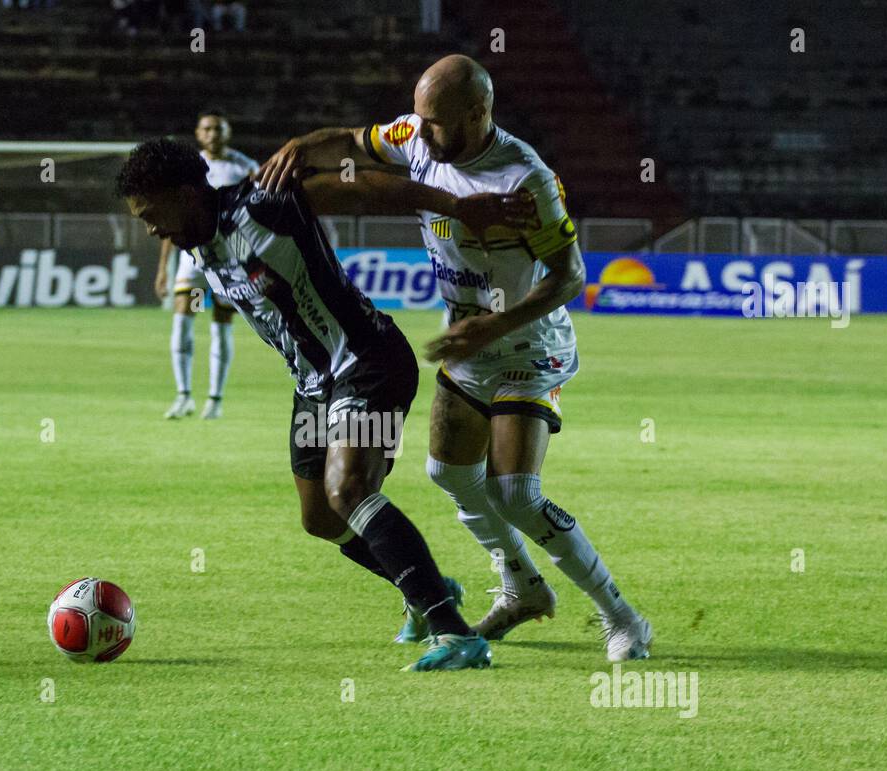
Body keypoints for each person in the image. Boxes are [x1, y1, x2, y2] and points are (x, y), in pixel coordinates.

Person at [257, 54, 655, 662]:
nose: (424, 132)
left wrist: (493, 324)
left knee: (517, 490)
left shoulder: (525, 177)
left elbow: (569, 277)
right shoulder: (416, 137)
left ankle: (622, 617)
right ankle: (522, 586)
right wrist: (298, 146)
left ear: (478, 112)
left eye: (438, 122)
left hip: (527, 345)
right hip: (469, 348)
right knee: (448, 474)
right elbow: (350, 143)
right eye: (420, 119)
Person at [118, 137, 536, 670]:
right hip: (316, 384)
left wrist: (452, 205)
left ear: (184, 194)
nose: (152, 228)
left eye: (153, 214)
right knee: (320, 517)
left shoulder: (261, 204)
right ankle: (428, 586)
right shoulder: (199, 243)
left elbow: (359, 186)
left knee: (349, 488)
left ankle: (455, 634)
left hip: (371, 362)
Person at [156, 112, 259, 420]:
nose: (212, 133)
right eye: (207, 129)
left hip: (229, 258)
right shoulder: (187, 169)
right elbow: (172, 219)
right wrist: (163, 267)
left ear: (227, 133)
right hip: (193, 257)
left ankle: (215, 399)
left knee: (221, 322)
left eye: (218, 128)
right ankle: (184, 395)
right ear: (198, 134)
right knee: (183, 319)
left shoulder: (246, 168)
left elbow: (257, 214)